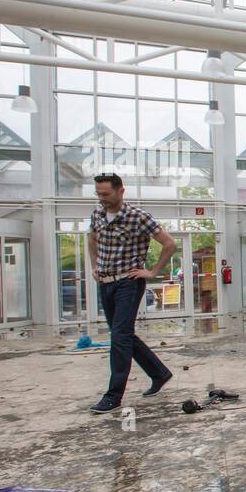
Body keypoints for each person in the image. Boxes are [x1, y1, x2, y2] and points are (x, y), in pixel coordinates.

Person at [86, 173, 175, 413]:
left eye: (106, 194)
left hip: (129, 282)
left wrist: (153, 271)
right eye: (99, 194)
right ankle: (159, 373)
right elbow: (92, 238)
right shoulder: (97, 215)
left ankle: (113, 396)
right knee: (121, 333)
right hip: (106, 283)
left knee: (120, 337)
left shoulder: (138, 217)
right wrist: (95, 265)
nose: (102, 199)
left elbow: (169, 243)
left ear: (120, 191)